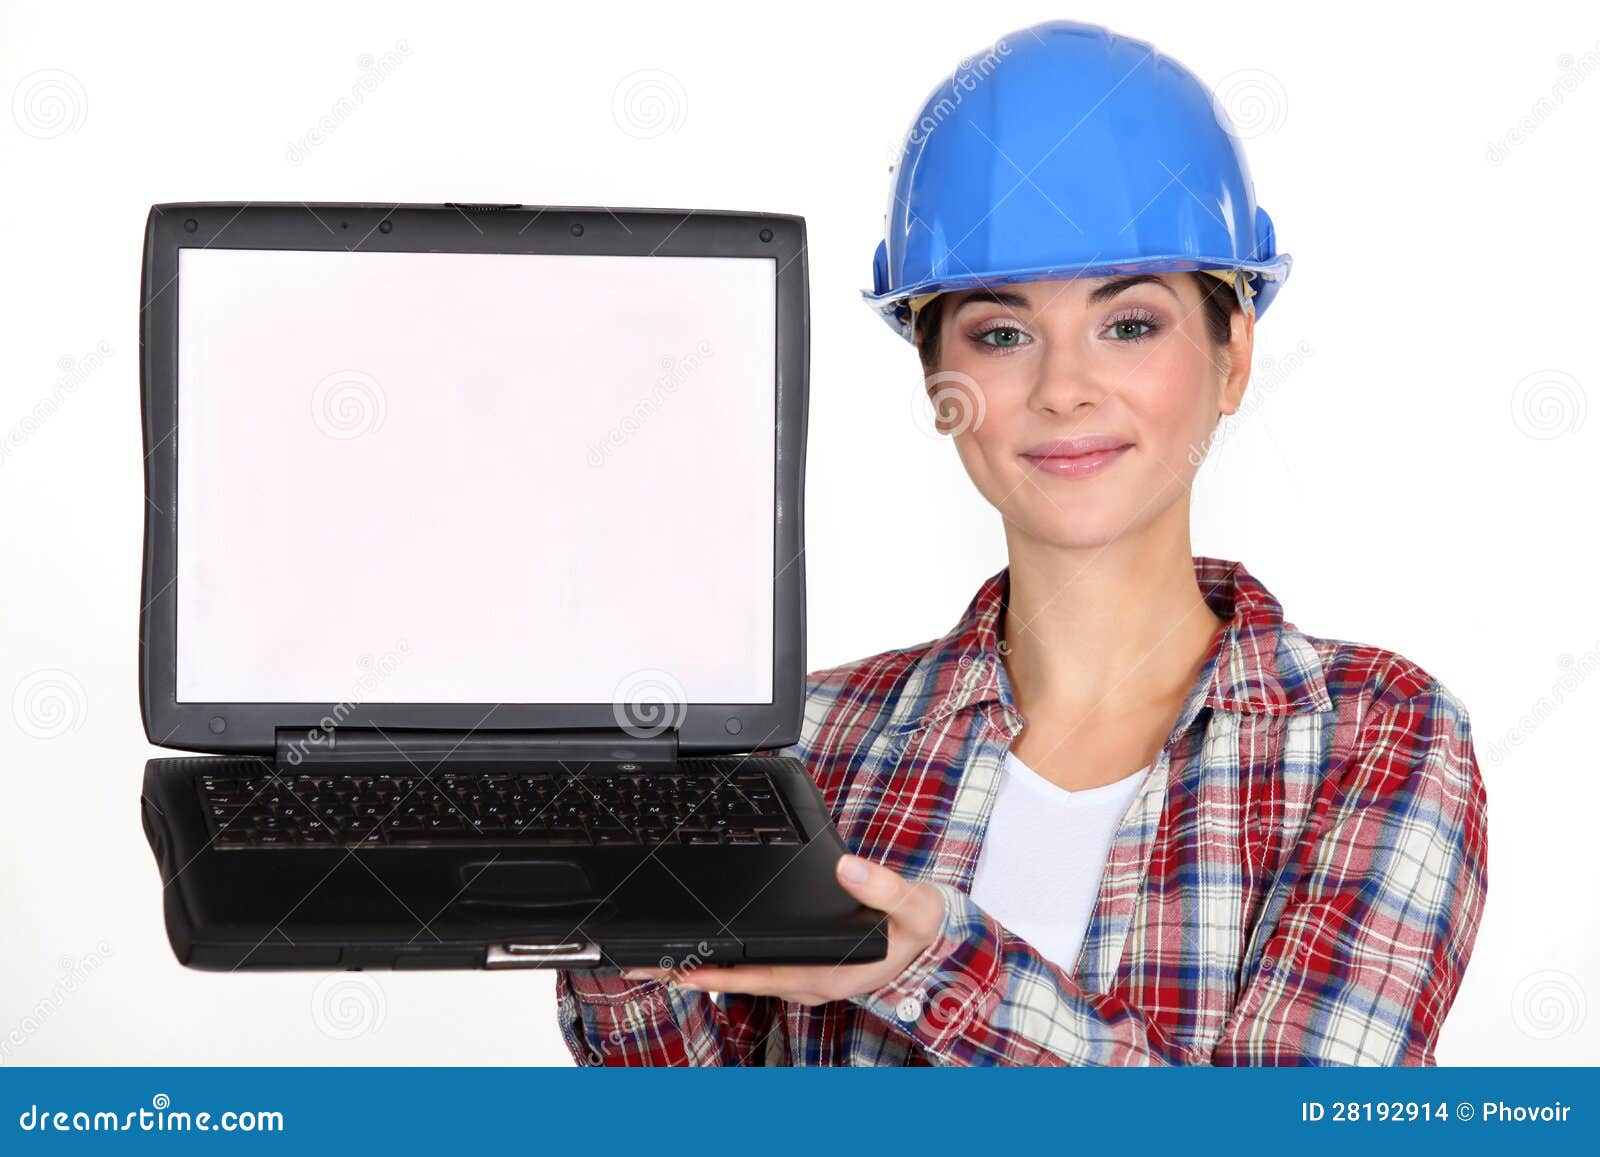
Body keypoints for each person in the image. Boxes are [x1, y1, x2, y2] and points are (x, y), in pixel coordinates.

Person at [555, 18, 1488, 1066]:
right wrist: (611, 879)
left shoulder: (1376, 737)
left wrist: (926, 965)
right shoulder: (802, 748)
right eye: (1000, 334)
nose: (1060, 388)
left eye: (1128, 322)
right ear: (937, 382)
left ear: (1233, 358)